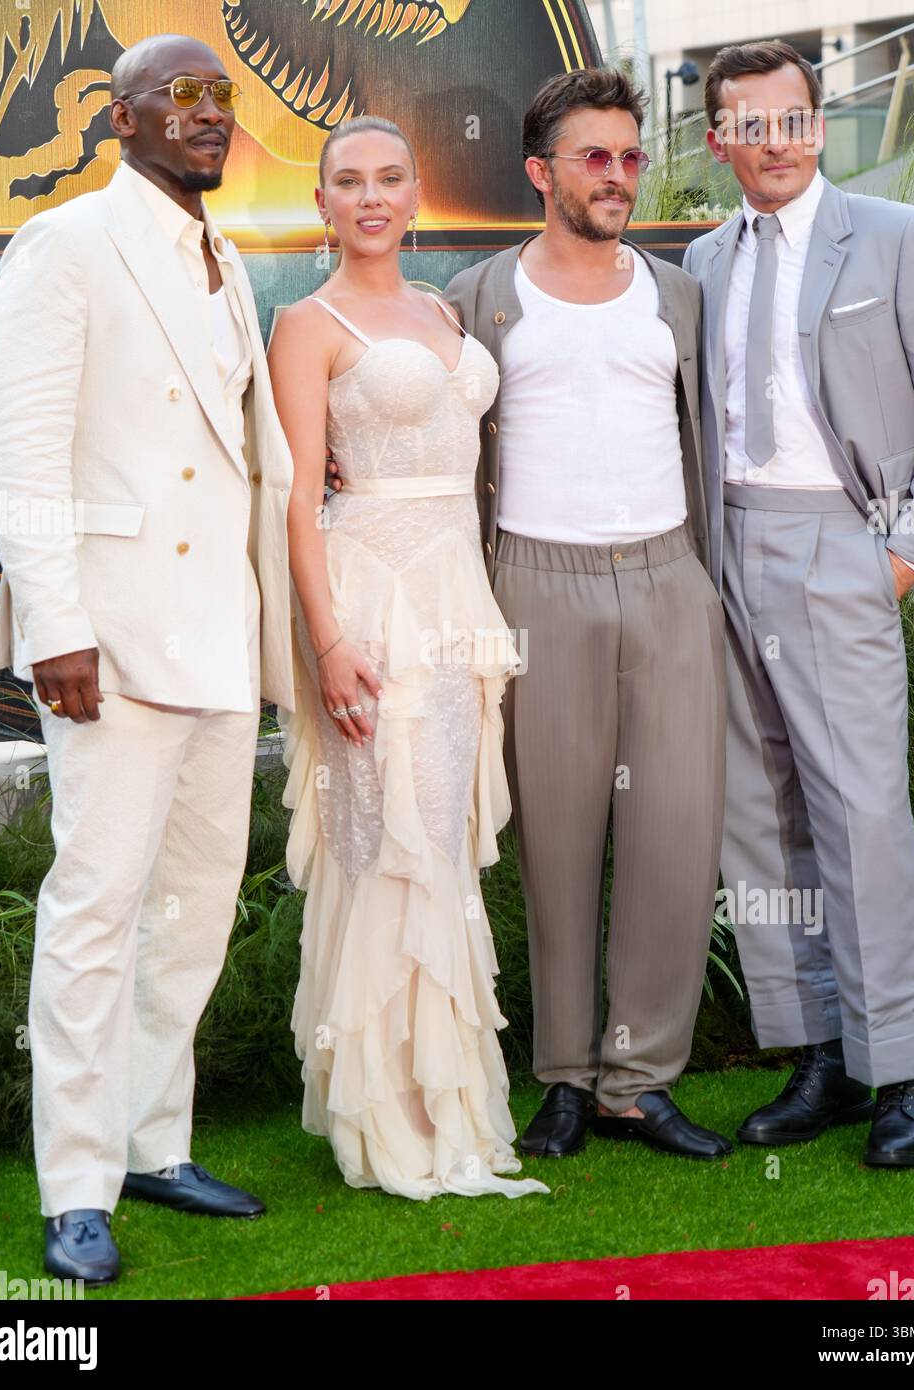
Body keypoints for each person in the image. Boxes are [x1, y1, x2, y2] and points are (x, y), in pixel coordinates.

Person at [0, 34, 296, 1284]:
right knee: (99, 909)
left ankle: (156, 1141)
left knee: (195, 908)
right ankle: (74, 1186)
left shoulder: (223, 256)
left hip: (217, 633)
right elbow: (21, 443)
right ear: (124, 118)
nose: (212, 115)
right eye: (186, 95)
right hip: (107, 638)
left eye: (225, 97)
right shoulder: (67, 242)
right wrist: (53, 621)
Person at [683, 40, 914, 1166]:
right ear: (717, 138)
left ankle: (899, 1069)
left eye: (791, 121)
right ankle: (814, 1049)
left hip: (845, 546)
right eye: (747, 125)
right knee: (760, 823)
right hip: (727, 548)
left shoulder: (897, 239)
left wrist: (905, 561)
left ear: (820, 126)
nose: (772, 143)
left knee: (863, 816)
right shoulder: (704, 257)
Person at [443, 68, 732, 1161]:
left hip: (667, 579)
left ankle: (640, 1080)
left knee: (673, 835)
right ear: (539, 173)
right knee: (555, 839)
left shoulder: (679, 294)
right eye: (593, 158)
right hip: (532, 581)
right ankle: (564, 1076)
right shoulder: (475, 298)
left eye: (628, 155)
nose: (617, 177)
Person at [268, 114, 550, 1201]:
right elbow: (296, 495)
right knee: (382, 835)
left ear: (416, 193)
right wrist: (326, 637)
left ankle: (449, 1101)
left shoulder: (440, 310)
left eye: (390, 178)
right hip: (371, 600)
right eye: (350, 181)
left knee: (436, 833)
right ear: (324, 203)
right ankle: (383, 1110)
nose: (371, 196)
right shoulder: (307, 321)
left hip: (455, 597)